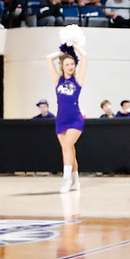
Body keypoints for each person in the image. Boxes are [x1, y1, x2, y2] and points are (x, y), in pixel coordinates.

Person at [46, 45, 87, 192]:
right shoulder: (58, 80)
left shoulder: (78, 80)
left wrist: (74, 45)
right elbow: (48, 58)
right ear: (62, 67)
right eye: (67, 64)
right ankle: (75, 182)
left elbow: (84, 56)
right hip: (61, 120)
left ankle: (66, 180)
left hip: (75, 119)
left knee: (67, 147)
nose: (70, 67)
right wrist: (63, 51)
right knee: (69, 150)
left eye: (72, 64)